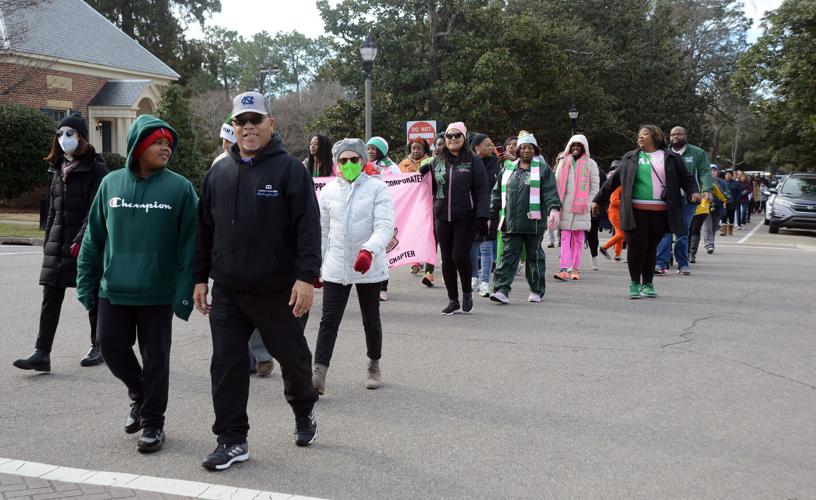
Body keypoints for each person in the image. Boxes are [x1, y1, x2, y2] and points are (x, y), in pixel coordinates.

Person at [194, 91, 321, 471]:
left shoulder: (290, 170)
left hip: (277, 292)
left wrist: (305, 279)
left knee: (295, 361)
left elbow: (308, 230)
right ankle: (232, 439)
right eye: (241, 122)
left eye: (255, 121)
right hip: (229, 291)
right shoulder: (218, 171)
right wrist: (199, 278)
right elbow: (203, 231)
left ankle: (303, 412)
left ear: (271, 124)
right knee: (227, 365)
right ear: (233, 127)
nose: (248, 128)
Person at [75, 115, 197, 453]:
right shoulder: (111, 185)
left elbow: (191, 245)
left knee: (156, 359)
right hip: (114, 290)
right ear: (139, 146)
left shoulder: (180, 188)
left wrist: (185, 291)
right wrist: (86, 284)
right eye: (158, 142)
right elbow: (93, 238)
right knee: (110, 348)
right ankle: (140, 395)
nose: (165, 148)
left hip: (157, 291)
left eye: (168, 144)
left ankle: (153, 424)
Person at [13, 113, 108, 372]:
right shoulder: (58, 169)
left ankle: (98, 345)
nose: (63, 139)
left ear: (82, 137)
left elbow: (95, 210)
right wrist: (48, 241)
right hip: (57, 243)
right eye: (60, 134)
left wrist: (81, 240)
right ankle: (42, 352)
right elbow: (53, 211)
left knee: (91, 294)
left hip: (84, 244)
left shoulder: (97, 168)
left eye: (70, 134)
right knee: (50, 296)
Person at [312, 138, 395, 395]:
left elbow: (384, 226)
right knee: (329, 321)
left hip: (368, 265)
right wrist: (318, 264)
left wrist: (369, 250)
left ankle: (373, 364)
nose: (348, 164)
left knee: (371, 320)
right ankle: (319, 373)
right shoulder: (328, 192)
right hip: (337, 266)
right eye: (343, 161)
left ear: (363, 161)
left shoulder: (378, 189)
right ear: (337, 163)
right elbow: (323, 231)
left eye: (354, 160)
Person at [592, 125, 700, 299]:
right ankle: (635, 283)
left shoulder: (670, 157)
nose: (640, 137)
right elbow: (613, 182)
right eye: (639, 134)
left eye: (645, 134)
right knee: (636, 248)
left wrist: (693, 192)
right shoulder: (630, 157)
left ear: (655, 136)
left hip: (660, 211)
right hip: (635, 211)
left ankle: (648, 283)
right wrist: (598, 200)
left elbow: (687, 179)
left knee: (651, 249)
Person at [214, 118, 274, 377]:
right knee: (233, 319)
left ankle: (261, 356)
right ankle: (245, 358)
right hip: (228, 259)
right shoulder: (219, 167)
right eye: (226, 141)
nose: (229, 145)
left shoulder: (271, 166)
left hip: (261, 259)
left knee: (258, 314)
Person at [419, 122, 489, 315]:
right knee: (447, 260)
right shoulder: (437, 161)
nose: (452, 139)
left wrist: (483, 216)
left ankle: (467, 293)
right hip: (442, 216)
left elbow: (482, 190)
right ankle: (453, 300)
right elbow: (427, 188)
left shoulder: (473, 160)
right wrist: (422, 176)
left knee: (459, 255)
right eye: (449, 136)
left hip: (466, 216)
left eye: (457, 135)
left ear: (464, 138)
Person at [489, 133, 560, 304]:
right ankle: (501, 290)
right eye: (523, 147)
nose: (527, 150)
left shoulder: (543, 170)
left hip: (533, 223)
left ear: (535, 150)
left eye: (530, 147)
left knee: (534, 257)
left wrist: (553, 210)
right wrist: (491, 213)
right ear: (519, 150)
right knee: (507, 256)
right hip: (510, 222)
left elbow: (550, 192)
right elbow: (497, 193)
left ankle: (536, 290)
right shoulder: (507, 170)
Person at [654, 126, 713, 275]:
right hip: (667, 198)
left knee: (682, 232)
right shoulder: (663, 152)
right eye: (673, 134)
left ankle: (683, 264)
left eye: (679, 134)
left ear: (685, 135)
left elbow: (705, 172)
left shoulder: (697, 153)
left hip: (689, 199)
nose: (676, 136)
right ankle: (660, 263)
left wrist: (705, 190)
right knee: (665, 231)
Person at [553, 135, 600, 281]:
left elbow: (594, 186)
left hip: (582, 206)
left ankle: (575, 268)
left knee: (578, 239)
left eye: (578, 146)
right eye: (573, 145)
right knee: (565, 237)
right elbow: (556, 183)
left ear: (584, 147)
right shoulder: (563, 162)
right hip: (565, 204)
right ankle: (563, 268)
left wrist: (589, 203)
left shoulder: (591, 164)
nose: (575, 148)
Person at [469, 133, 500, 297]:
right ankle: (474, 277)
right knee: (473, 247)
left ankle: (485, 282)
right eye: (487, 145)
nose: (491, 147)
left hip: (490, 211)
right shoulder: (467, 163)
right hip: (471, 211)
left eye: (491, 144)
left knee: (487, 247)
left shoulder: (496, 164)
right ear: (477, 148)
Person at [688, 168, 728, 262]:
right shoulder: (699, 182)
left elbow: (720, 194)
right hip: (693, 209)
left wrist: (724, 200)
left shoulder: (708, 183)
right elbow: (721, 195)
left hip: (701, 209)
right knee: (692, 231)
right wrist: (724, 199)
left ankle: (691, 254)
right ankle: (690, 254)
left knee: (693, 230)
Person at [599, 160, 624, 261]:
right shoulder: (617, 184)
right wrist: (626, 203)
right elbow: (614, 201)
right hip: (614, 212)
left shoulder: (618, 183)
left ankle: (617, 255)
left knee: (620, 233)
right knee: (621, 233)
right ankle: (604, 248)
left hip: (616, 212)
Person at [702, 165, 728, 253]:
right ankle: (708, 244)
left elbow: (728, 194)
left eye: (714, 170)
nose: (712, 172)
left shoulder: (722, 182)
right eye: (710, 170)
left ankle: (711, 243)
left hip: (718, 207)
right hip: (705, 207)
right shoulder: (703, 181)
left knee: (714, 227)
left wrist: (725, 197)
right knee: (707, 226)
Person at [720, 170, 740, 235]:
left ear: (732, 175)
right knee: (724, 216)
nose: (727, 176)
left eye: (729, 174)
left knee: (731, 217)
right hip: (724, 202)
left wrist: (736, 201)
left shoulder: (736, 183)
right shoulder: (722, 182)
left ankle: (730, 231)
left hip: (732, 202)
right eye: (726, 174)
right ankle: (723, 231)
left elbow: (738, 194)